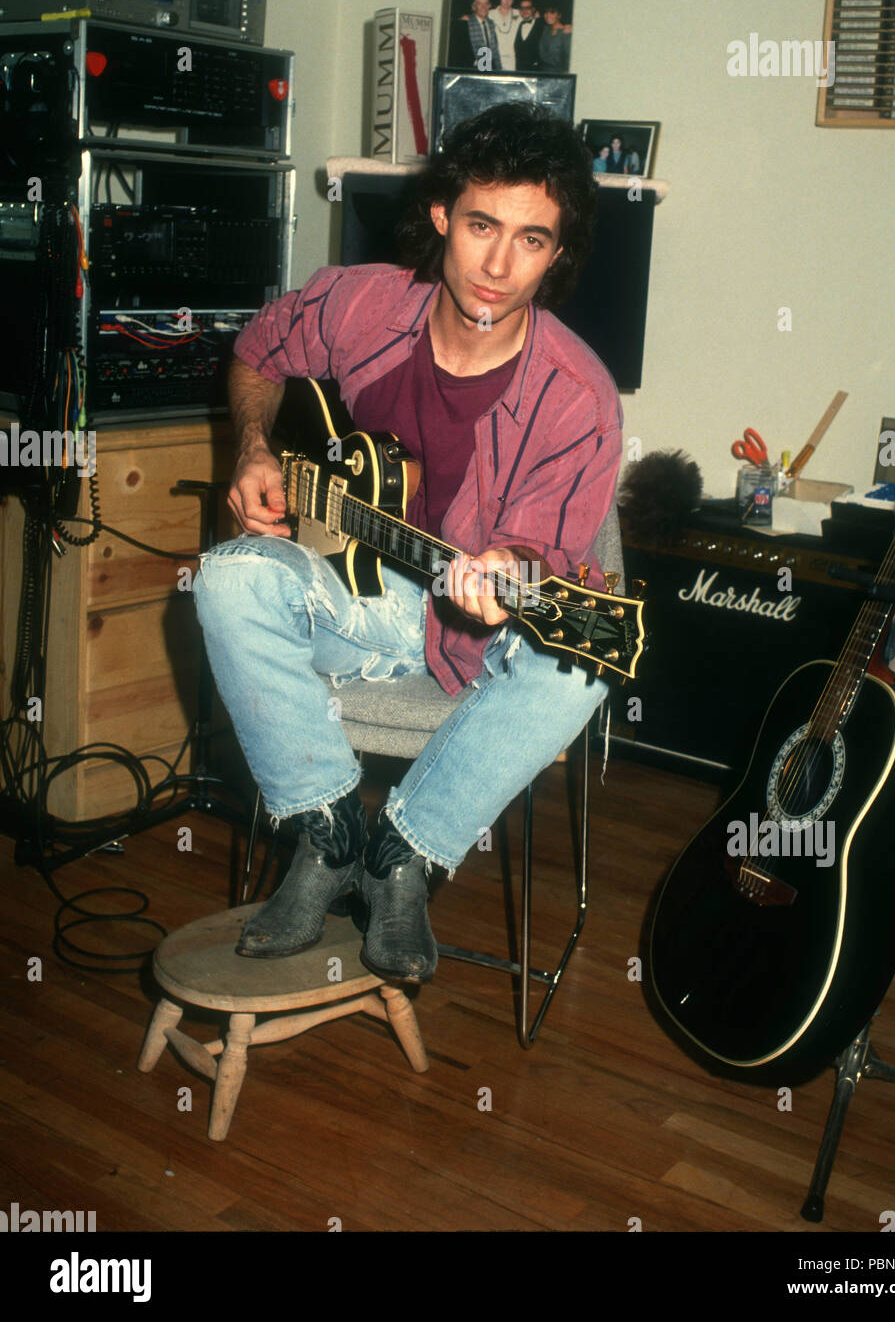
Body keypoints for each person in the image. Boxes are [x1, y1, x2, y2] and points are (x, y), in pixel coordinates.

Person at [192, 104, 622, 984]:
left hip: (472, 625)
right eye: (481, 226)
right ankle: (326, 830)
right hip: (356, 596)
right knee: (228, 578)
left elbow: (540, 551)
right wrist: (253, 447)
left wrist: (511, 571)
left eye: (532, 240)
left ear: (559, 250)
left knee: (581, 664)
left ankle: (402, 854)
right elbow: (256, 354)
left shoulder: (579, 396)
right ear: (441, 216)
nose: (499, 266)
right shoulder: (362, 304)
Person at [454, 0, 500, 72]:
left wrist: (499, 69)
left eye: (486, 4)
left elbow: (495, 49)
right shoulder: (467, 23)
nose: (483, 7)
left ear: (489, 6)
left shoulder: (491, 24)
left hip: (491, 67)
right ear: (474, 7)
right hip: (473, 68)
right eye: (479, 4)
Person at [488, 0, 521, 71]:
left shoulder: (518, 13)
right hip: (495, 55)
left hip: (512, 55)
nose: (507, 2)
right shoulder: (490, 13)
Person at [538, 7, 571, 72]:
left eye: (552, 13)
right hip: (542, 71)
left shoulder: (566, 32)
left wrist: (566, 72)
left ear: (559, 15)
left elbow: (568, 55)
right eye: (546, 13)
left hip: (559, 72)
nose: (548, 16)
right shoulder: (545, 29)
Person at [514, 0, 543, 71]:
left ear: (533, 9)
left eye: (528, 8)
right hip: (519, 69)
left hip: (536, 69)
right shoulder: (517, 24)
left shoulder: (542, 24)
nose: (524, 11)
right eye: (522, 8)